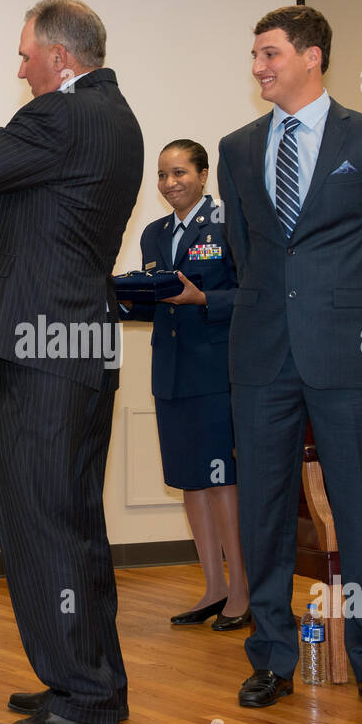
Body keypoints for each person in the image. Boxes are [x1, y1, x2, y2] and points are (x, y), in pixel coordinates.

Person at [0, 0, 143, 724]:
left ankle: (82, 699)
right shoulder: (111, 118)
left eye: (24, 55)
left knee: (44, 523)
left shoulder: (62, 117)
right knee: (72, 521)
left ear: (61, 58)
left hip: (46, 350)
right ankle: (88, 680)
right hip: (75, 347)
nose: (19, 68)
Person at [217, 5, 362, 712]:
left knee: (361, 515)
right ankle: (270, 655)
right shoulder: (238, 147)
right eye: (254, 54)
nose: (258, 67)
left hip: (347, 353)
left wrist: (353, 318)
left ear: (312, 56)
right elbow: (247, 251)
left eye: (269, 53)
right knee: (264, 513)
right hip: (262, 353)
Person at [120, 139, 249, 629]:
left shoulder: (227, 223)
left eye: (180, 173)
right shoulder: (154, 233)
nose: (170, 183)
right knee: (190, 481)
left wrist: (204, 301)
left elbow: (254, 294)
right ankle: (213, 588)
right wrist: (126, 302)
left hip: (216, 371)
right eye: (162, 174)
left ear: (203, 174)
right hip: (170, 372)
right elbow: (158, 299)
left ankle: (242, 590)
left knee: (222, 483)